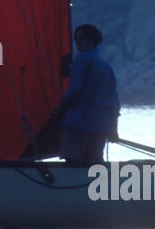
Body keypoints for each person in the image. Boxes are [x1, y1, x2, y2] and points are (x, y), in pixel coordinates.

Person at [50, 23, 120, 165]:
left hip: (78, 124)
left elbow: (74, 91)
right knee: (95, 167)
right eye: (76, 38)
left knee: (73, 168)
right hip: (100, 126)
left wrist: (59, 111)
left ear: (91, 40)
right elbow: (114, 103)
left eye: (81, 38)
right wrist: (113, 129)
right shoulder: (106, 66)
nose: (77, 42)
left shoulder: (82, 60)